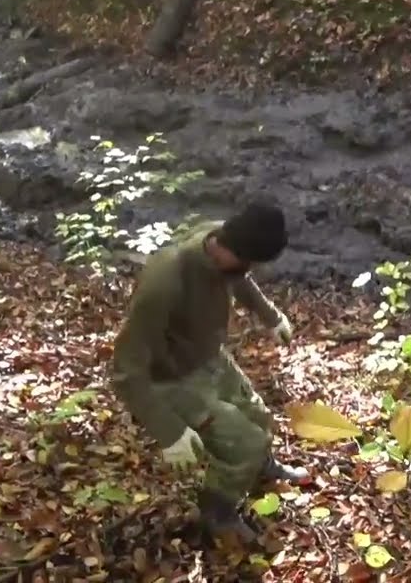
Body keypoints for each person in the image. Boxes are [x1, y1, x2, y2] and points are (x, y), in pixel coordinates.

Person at [107, 202, 309, 544]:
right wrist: (169, 431)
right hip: (172, 377)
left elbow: (239, 278)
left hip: (208, 356)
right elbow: (125, 370)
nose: (250, 269)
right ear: (234, 250)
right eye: (249, 262)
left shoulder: (221, 240)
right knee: (243, 443)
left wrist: (270, 316)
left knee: (258, 417)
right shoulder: (166, 281)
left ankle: (259, 468)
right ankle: (217, 512)